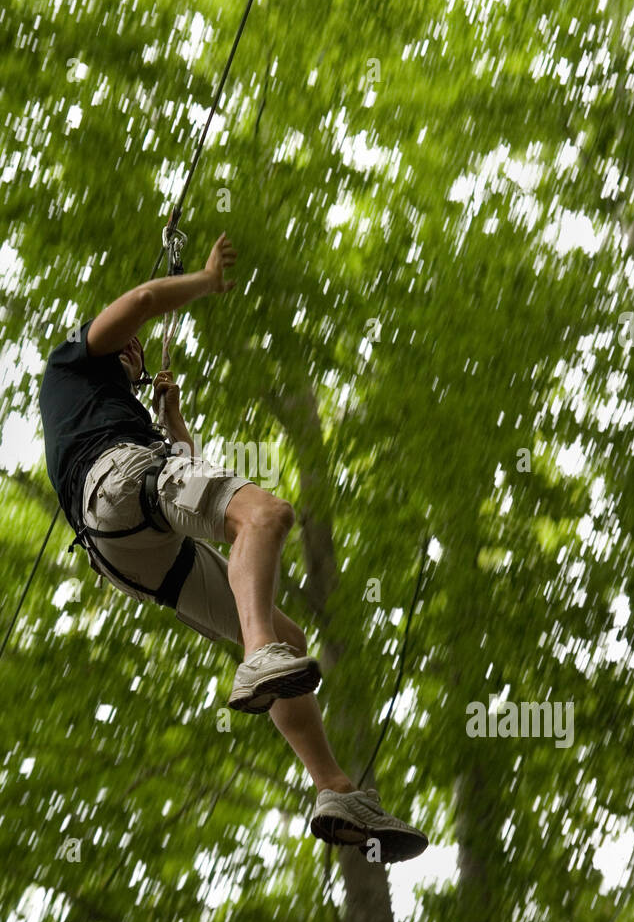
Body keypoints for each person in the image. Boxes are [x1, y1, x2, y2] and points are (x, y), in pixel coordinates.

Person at [39, 231, 427, 862]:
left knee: (288, 639)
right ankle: (256, 655)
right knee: (267, 516)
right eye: (126, 349)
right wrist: (204, 279)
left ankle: (333, 789)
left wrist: (172, 420)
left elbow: (184, 493)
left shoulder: (108, 411)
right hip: (119, 484)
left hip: (126, 544)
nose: (135, 351)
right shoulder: (72, 362)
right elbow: (140, 300)